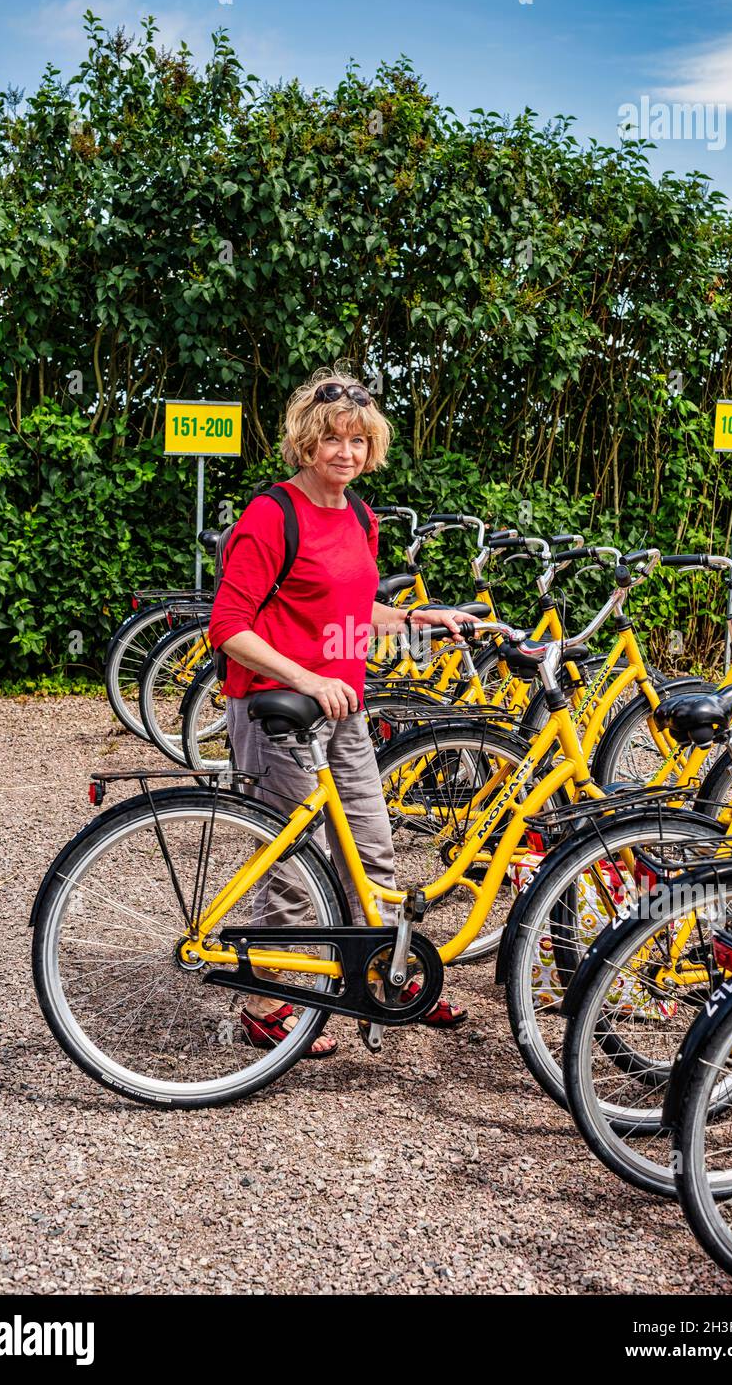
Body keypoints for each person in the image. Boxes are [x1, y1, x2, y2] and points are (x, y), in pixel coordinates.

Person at [209, 367, 473, 1056]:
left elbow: (351, 613)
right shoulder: (271, 516)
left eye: (357, 441)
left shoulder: (359, 516)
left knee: (369, 845)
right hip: (275, 710)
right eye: (332, 440)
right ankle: (266, 1000)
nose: (345, 453)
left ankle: (388, 976)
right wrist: (303, 676)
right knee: (297, 863)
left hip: (341, 708)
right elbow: (227, 625)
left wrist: (415, 617)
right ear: (305, 443)